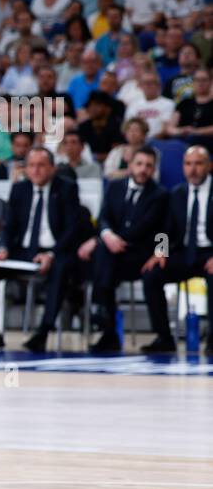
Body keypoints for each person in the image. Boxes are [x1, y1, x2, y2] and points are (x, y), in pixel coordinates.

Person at [0, 147, 82, 352]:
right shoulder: (19, 189)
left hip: (55, 250)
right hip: (23, 250)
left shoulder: (67, 188)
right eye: (31, 166)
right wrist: (3, 247)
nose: (36, 171)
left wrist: (51, 254)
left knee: (61, 269)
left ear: (52, 168)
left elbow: (72, 229)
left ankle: (43, 332)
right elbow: (9, 225)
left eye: (41, 165)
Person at [80, 146, 166, 353]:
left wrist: (106, 240)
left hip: (140, 255)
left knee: (101, 257)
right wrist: (106, 235)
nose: (143, 169)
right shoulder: (115, 186)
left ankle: (104, 322)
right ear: (130, 166)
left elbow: (148, 228)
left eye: (148, 166)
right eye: (139, 164)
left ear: (154, 169)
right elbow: (103, 217)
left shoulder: (160, 194)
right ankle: (105, 323)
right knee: (98, 258)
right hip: (112, 254)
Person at [140, 146, 213, 355]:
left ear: (209, 166)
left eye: (199, 164)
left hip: (210, 253)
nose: (193, 170)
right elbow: (164, 229)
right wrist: (160, 251)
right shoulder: (177, 193)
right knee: (151, 275)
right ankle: (164, 337)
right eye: (188, 164)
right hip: (184, 252)